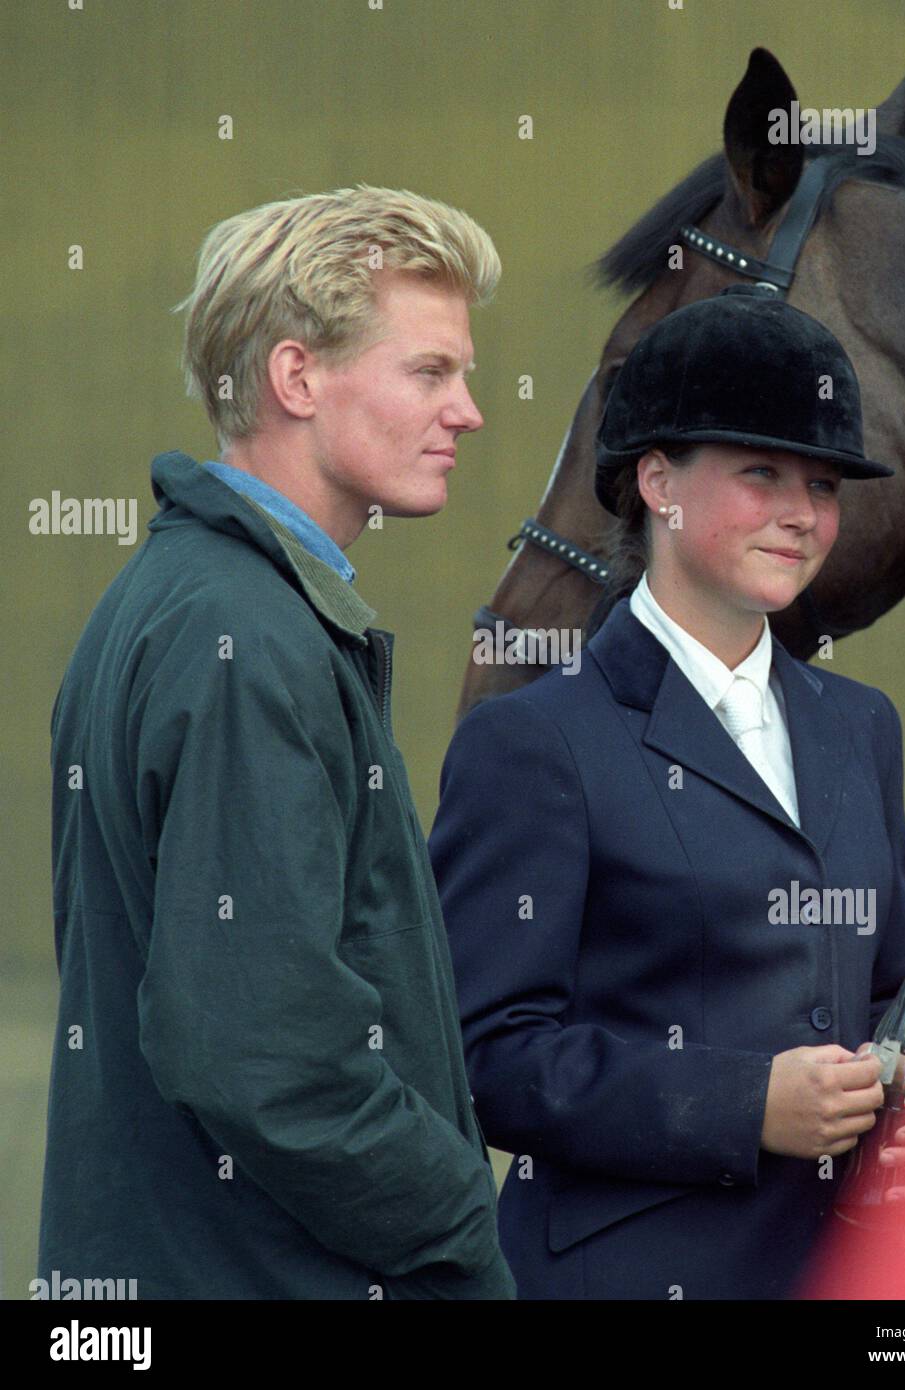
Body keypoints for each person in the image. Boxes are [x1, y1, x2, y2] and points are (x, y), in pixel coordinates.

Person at [427, 285, 905, 1300]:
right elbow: (483, 1056)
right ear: (657, 480)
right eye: (762, 474)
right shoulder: (534, 740)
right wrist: (743, 1104)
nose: (802, 515)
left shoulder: (862, 726)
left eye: (823, 485)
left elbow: (898, 991)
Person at [40, 186, 516, 1300]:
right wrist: (460, 1223)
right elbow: (261, 1053)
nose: (469, 411)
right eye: (430, 371)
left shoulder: (182, 599)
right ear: (296, 378)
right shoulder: (243, 634)